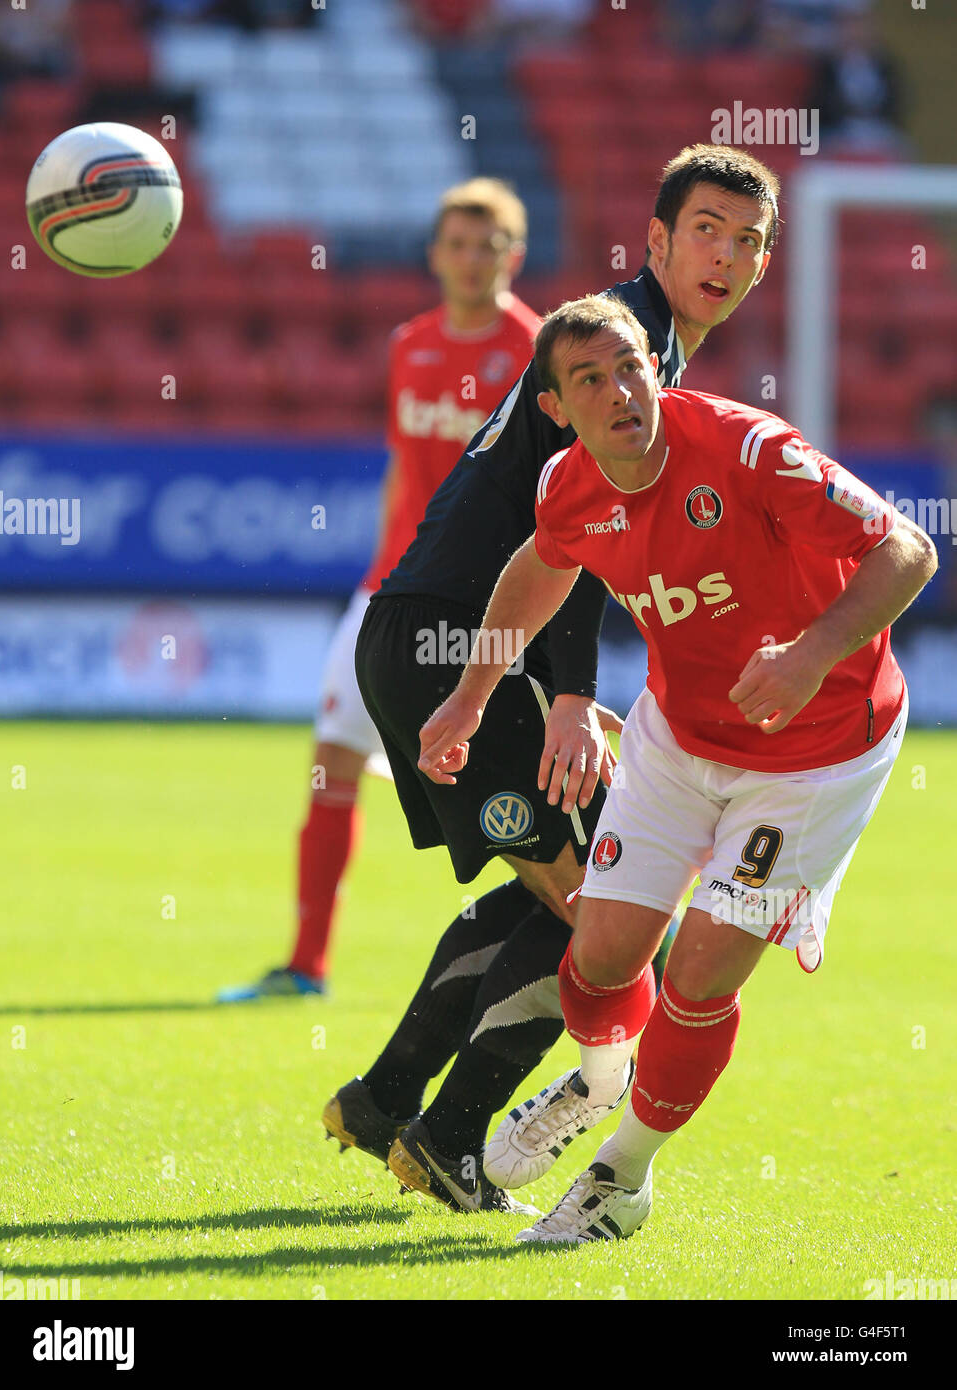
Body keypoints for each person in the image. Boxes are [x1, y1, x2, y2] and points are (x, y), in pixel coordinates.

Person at [415, 293, 936, 1241]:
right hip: (677, 739)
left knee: (698, 976)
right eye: (588, 380)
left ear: (656, 370)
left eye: (630, 368)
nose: (619, 391)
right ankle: (602, 1081)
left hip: (816, 758)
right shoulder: (570, 484)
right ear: (557, 409)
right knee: (602, 956)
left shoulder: (749, 450)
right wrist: (469, 694)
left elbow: (909, 551)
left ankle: (624, 1176)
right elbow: (543, 567)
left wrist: (813, 652)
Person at [323, 146, 783, 1211]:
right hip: (465, 641)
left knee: (560, 893)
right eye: (703, 228)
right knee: (611, 915)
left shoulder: (626, 342)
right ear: (657, 240)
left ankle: (387, 1101)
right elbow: (576, 522)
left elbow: (578, 527)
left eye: (746, 238)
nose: (724, 253)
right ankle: (449, 1138)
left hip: (428, 636)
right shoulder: (626, 348)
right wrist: (567, 695)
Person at [218, 178, 540, 1001]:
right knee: (333, 764)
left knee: (493, 787)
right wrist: (379, 565)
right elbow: (406, 466)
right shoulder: (410, 344)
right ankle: (305, 964)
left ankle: (610, 920)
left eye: (488, 245)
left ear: (515, 255)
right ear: (434, 254)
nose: (471, 261)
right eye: (458, 245)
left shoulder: (539, 352)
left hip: (481, 603)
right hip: (391, 589)